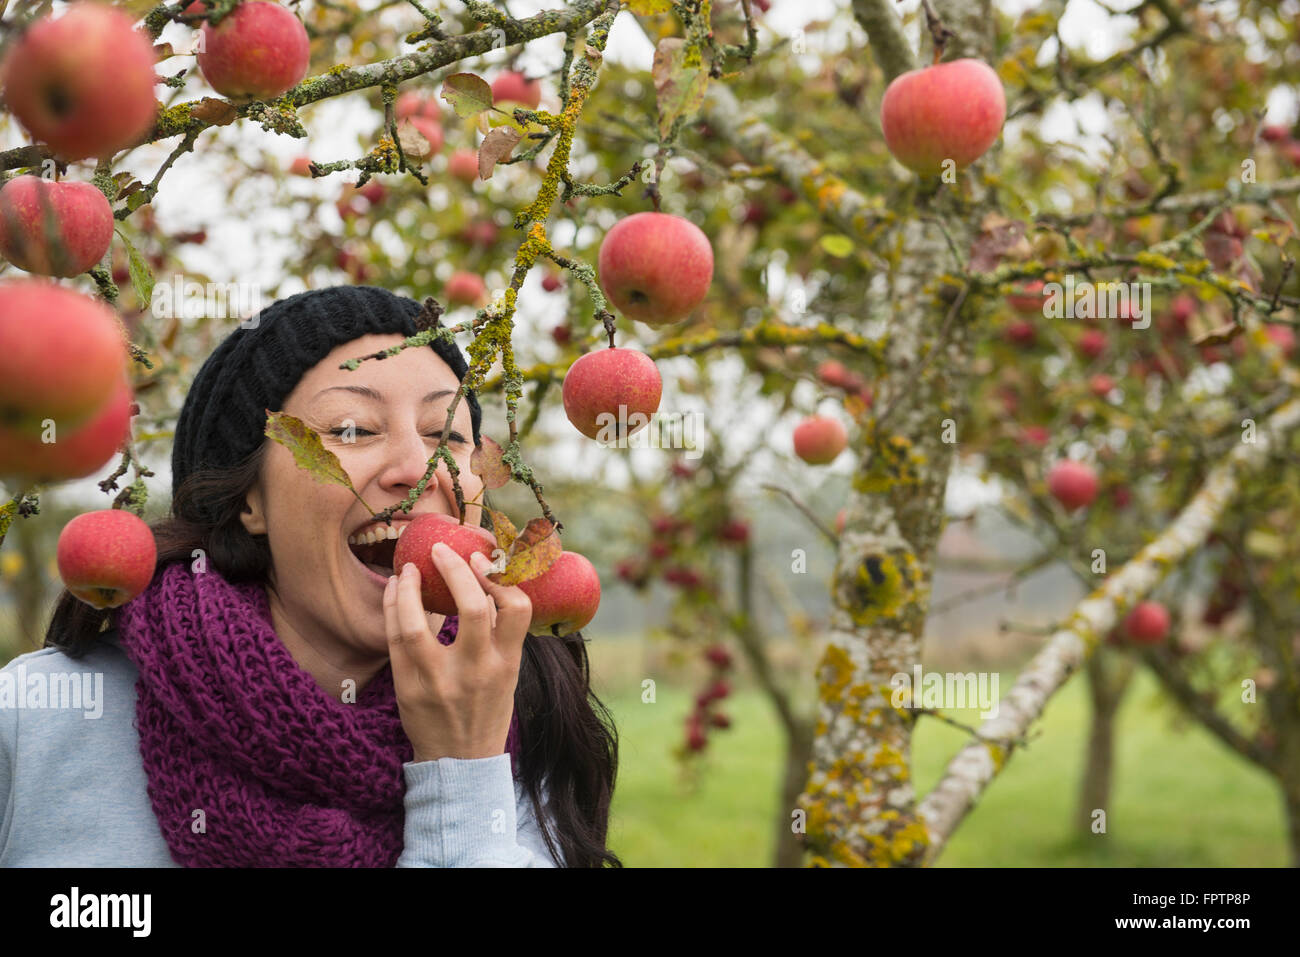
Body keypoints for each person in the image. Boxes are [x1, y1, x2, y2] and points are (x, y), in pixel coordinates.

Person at [0, 285, 620, 867]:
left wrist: (462, 770)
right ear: (251, 501)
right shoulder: (40, 721)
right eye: (352, 428)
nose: (418, 467)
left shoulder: (522, 734)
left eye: (445, 434)